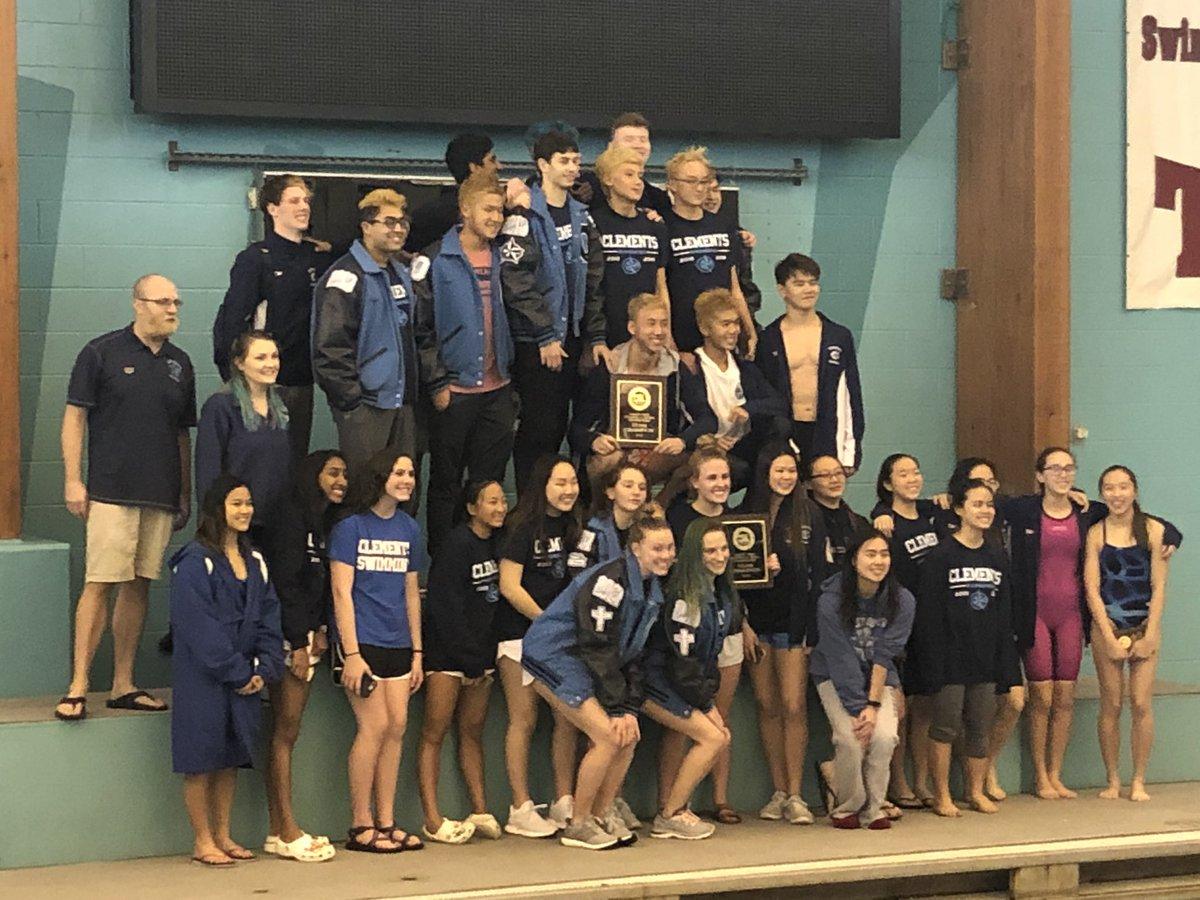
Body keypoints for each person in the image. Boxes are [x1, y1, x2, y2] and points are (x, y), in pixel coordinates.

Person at [56, 274, 196, 722]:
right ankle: (78, 685)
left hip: (160, 494)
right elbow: (75, 418)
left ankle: (123, 684)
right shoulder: (101, 352)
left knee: (139, 584)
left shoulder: (180, 363)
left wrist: (184, 492)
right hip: (110, 491)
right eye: (163, 301)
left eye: (176, 303)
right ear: (138, 304)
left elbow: (181, 435)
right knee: (100, 582)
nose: (172, 310)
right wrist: (73, 480)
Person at [1005, 448, 1181, 801]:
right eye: (1054, 468)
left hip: (1097, 619)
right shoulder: (1044, 513)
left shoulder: (1101, 516)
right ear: (1040, 475)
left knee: (1102, 700)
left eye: (1069, 468)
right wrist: (941, 502)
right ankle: (1051, 776)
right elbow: (1091, 586)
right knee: (1054, 698)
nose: (1062, 474)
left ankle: (1080, 775)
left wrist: (1174, 537)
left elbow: (1156, 548)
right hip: (1062, 617)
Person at [521, 516, 677, 849]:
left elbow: (633, 654)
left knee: (628, 736)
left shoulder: (653, 588)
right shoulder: (608, 582)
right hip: (554, 655)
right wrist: (616, 708)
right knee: (607, 736)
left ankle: (600, 814)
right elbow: (597, 645)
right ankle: (578, 824)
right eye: (657, 549)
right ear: (636, 548)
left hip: (590, 659)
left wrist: (629, 708)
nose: (665, 555)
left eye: (669, 548)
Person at [167, 475, 284, 866]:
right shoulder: (194, 561)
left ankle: (223, 834)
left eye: (248, 503)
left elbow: (269, 617)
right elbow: (198, 627)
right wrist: (237, 672)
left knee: (230, 756)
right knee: (201, 759)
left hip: (246, 677)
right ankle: (202, 840)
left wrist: (263, 668)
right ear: (218, 508)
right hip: (203, 679)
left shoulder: (256, 561)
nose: (245, 510)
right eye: (236, 503)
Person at [328, 449, 428, 853]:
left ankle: (386, 821)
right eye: (398, 472)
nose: (406, 479)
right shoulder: (350, 528)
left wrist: (417, 651)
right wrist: (351, 653)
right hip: (362, 643)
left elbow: (411, 592)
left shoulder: (409, 529)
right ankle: (360, 824)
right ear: (380, 476)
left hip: (399, 642)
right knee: (373, 727)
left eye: (410, 473)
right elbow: (342, 593)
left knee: (397, 726)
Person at [414, 172, 518, 552]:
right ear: (465, 209)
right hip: (454, 392)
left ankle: (483, 562)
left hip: (498, 390)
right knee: (446, 484)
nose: (495, 218)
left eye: (500, 211)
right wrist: (437, 383)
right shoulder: (433, 259)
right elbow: (419, 328)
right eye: (488, 209)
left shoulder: (506, 255)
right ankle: (445, 564)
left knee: (489, 485)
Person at [259, 450, 346, 862]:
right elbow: (285, 582)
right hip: (287, 638)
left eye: (344, 474)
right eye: (333, 473)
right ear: (313, 475)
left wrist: (323, 629)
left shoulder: (322, 520)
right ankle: (286, 829)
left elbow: (318, 582)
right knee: (285, 730)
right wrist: (296, 641)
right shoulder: (290, 516)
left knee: (288, 731)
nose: (341, 480)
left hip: (309, 635)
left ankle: (279, 830)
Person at [507, 130, 606, 492]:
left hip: (572, 339)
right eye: (563, 161)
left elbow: (594, 279)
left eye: (576, 161)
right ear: (543, 165)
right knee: (540, 431)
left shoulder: (582, 215)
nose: (572, 168)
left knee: (571, 427)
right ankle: (529, 507)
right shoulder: (524, 215)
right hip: (536, 342)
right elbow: (516, 279)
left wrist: (595, 335)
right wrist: (545, 335)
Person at [737, 441, 828, 824]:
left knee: (793, 705)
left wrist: (811, 630)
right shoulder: (743, 513)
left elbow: (819, 575)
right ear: (765, 473)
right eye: (780, 470)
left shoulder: (809, 513)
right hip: (757, 624)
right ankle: (778, 791)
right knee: (767, 705)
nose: (787, 477)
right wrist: (742, 623)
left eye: (792, 470)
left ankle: (796, 794)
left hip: (794, 624)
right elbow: (730, 578)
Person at [914, 479, 1015, 817]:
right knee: (945, 726)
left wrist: (1004, 663)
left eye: (989, 504)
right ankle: (942, 795)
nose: (985, 511)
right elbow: (929, 615)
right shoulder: (941, 556)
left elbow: (1003, 612)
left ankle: (975, 791)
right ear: (959, 509)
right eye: (977, 504)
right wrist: (933, 663)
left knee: (979, 727)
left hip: (984, 658)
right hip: (949, 659)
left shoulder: (997, 555)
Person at [215, 174, 332, 460]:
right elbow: (231, 321)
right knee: (261, 461)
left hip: (302, 382)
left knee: (294, 463)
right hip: (265, 382)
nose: (303, 207)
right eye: (294, 201)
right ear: (273, 208)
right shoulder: (256, 259)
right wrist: (236, 378)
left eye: (306, 201)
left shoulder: (317, 255)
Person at [417, 479, 509, 844]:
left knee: (472, 731)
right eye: (491, 502)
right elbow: (445, 608)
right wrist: (467, 659)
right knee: (434, 731)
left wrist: (482, 660)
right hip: (448, 655)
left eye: (502, 501)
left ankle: (480, 809)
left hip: (481, 658)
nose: (500, 508)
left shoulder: (499, 544)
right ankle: (432, 817)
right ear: (472, 508)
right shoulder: (456, 545)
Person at [662, 440, 748, 821]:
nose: (720, 483)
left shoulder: (740, 519)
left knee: (719, 717)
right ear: (694, 481)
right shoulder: (678, 519)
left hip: (726, 628)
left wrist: (744, 623)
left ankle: (720, 798)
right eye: (712, 477)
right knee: (686, 718)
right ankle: (670, 803)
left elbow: (732, 584)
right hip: (688, 630)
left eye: (725, 477)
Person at [496, 455, 583, 837]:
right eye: (560, 482)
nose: (569, 490)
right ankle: (521, 807)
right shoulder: (521, 526)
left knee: (567, 717)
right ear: (542, 485)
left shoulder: (577, 528)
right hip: (520, 636)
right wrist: (546, 622)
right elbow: (509, 586)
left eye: (573, 482)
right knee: (524, 718)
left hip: (562, 640)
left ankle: (564, 800)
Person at [312, 189, 422, 480]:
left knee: (402, 491)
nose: (398, 229)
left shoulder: (401, 272)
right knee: (365, 488)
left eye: (403, 222)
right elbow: (329, 349)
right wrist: (353, 403)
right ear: (366, 227)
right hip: (366, 407)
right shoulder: (345, 277)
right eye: (389, 222)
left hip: (402, 403)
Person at [811, 530, 914, 830]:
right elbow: (840, 657)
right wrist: (859, 708)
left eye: (884, 554)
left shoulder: (903, 600)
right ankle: (847, 805)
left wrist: (873, 704)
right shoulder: (830, 600)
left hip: (879, 679)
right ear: (854, 560)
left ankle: (874, 806)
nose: (878, 561)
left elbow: (885, 655)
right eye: (870, 554)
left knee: (884, 738)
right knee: (850, 739)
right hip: (834, 676)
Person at [569, 462, 653, 829]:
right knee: (601, 728)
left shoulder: (646, 533)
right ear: (610, 491)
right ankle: (583, 809)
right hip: (594, 638)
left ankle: (611, 800)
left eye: (642, 487)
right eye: (628, 485)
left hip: (626, 641)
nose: (636, 492)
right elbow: (577, 582)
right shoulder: (594, 532)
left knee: (625, 729)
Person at [643, 519, 738, 840]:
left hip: (683, 685)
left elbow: (706, 662)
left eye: (723, 549)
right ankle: (670, 813)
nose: (719, 556)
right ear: (694, 555)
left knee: (719, 736)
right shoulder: (684, 598)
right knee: (713, 738)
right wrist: (707, 706)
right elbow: (681, 665)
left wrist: (706, 701)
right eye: (710, 551)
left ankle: (676, 808)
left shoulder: (720, 593)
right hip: (655, 685)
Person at [1083, 465, 1170, 802]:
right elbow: (1092, 588)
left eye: (1123, 487)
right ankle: (1113, 779)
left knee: (1141, 702)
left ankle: (1138, 779)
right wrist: (1106, 635)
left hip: (1143, 625)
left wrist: (1150, 633)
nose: (1116, 494)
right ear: (1102, 493)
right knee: (1112, 703)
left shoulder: (1153, 530)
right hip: (1108, 626)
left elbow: (1159, 587)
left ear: (1134, 490)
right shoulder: (1097, 533)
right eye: (1109, 488)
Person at [571, 292, 713, 489]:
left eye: (664, 324)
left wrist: (682, 441)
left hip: (660, 452)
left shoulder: (676, 368)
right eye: (651, 324)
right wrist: (594, 441)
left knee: (701, 459)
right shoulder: (610, 367)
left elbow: (708, 419)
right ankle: (600, 508)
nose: (659, 331)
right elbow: (577, 429)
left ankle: (659, 506)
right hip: (617, 451)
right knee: (607, 461)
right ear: (632, 328)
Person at [868, 454, 941, 810]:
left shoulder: (931, 515)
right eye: (903, 474)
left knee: (925, 705)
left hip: (931, 623)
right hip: (899, 623)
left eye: (916, 472)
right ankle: (897, 781)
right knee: (900, 708)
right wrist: (880, 510)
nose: (912, 478)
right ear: (888, 483)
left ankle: (921, 780)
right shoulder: (884, 522)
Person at [756, 253, 864, 473]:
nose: (809, 289)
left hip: (827, 430)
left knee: (825, 487)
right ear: (782, 290)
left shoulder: (839, 336)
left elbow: (852, 394)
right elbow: (762, 395)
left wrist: (852, 450)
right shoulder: (768, 339)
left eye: (813, 283)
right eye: (799, 284)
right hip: (786, 431)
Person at [195, 331, 292, 548]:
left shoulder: (282, 406)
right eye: (260, 357)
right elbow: (208, 471)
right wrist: (215, 521)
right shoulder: (221, 407)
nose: (270, 364)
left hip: (276, 522)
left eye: (274, 356)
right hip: (235, 522)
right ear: (239, 363)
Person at [690, 288, 788, 488]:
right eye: (725, 324)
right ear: (704, 328)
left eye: (736, 323)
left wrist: (748, 409)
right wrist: (709, 441)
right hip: (705, 446)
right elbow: (692, 415)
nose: (734, 330)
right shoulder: (692, 368)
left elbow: (779, 404)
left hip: (740, 445)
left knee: (780, 427)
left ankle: (761, 505)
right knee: (736, 469)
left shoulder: (744, 367)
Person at [663, 147, 755, 354]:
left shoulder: (724, 225)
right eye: (691, 181)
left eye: (704, 181)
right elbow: (661, 290)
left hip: (721, 337)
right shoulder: (662, 227)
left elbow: (735, 287)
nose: (699, 188)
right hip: (682, 335)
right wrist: (668, 338)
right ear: (672, 185)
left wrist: (749, 331)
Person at [589, 145, 671, 348]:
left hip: (647, 335)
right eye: (629, 175)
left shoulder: (655, 225)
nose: (637, 182)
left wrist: (666, 332)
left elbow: (661, 286)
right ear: (608, 179)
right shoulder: (593, 223)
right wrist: (594, 339)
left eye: (640, 176)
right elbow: (590, 287)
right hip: (607, 332)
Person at [405, 133, 501, 253]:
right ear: (474, 167)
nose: (499, 166)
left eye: (499, 210)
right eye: (492, 160)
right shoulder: (435, 214)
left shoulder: (426, 214)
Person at [579, 112, 672, 216]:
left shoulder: (658, 199)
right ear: (610, 147)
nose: (637, 145)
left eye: (643, 140)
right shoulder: (585, 187)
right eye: (629, 139)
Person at [701, 172, 762, 321]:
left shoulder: (736, 236)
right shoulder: (670, 231)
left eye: (715, 190)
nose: (711, 197)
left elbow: (746, 287)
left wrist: (743, 322)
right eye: (705, 191)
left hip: (731, 320)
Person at [807, 454, 868, 571]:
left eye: (839, 473)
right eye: (825, 475)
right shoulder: (805, 520)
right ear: (809, 483)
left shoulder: (858, 522)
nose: (835, 480)